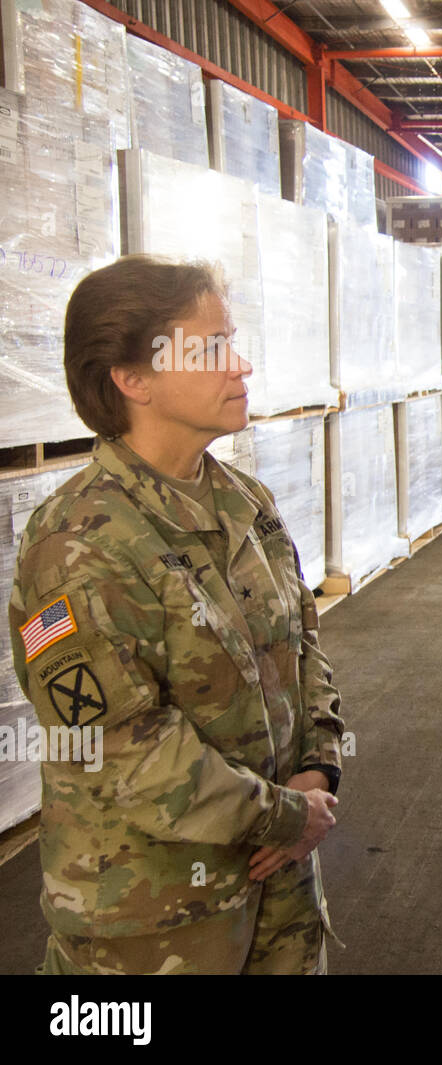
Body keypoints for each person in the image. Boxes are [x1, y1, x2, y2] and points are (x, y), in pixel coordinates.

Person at [8, 256, 345, 974]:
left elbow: (304, 643)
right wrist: (286, 815)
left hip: (280, 900)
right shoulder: (75, 544)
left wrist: (318, 768)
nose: (242, 364)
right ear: (133, 379)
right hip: (155, 932)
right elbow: (118, 748)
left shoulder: (246, 503)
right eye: (214, 346)